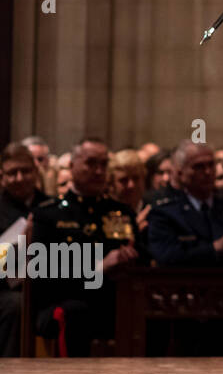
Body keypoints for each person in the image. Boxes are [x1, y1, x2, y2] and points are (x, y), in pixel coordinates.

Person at [28, 138, 139, 356]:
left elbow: (144, 255)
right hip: (64, 300)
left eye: (103, 165)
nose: (98, 171)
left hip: (114, 298)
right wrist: (99, 268)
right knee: (75, 313)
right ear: (71, 166)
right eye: (91, 163)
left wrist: (130, 259)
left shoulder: (120, 212)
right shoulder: (49, 214)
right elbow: (44, 273)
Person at [147, 142, 223, 267]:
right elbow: (166, 257)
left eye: (211, 165)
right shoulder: (166, 213)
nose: (207, 172)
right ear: (180, 173)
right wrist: (218, 246)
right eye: (199, 166)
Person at [0, 143, 55, 356]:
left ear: (35, 171)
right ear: (2, 176)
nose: (20, 178)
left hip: (49, 281)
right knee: (16, 305)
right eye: (13, 173)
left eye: (26, 171)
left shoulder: (52, 206)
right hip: (7, 288)